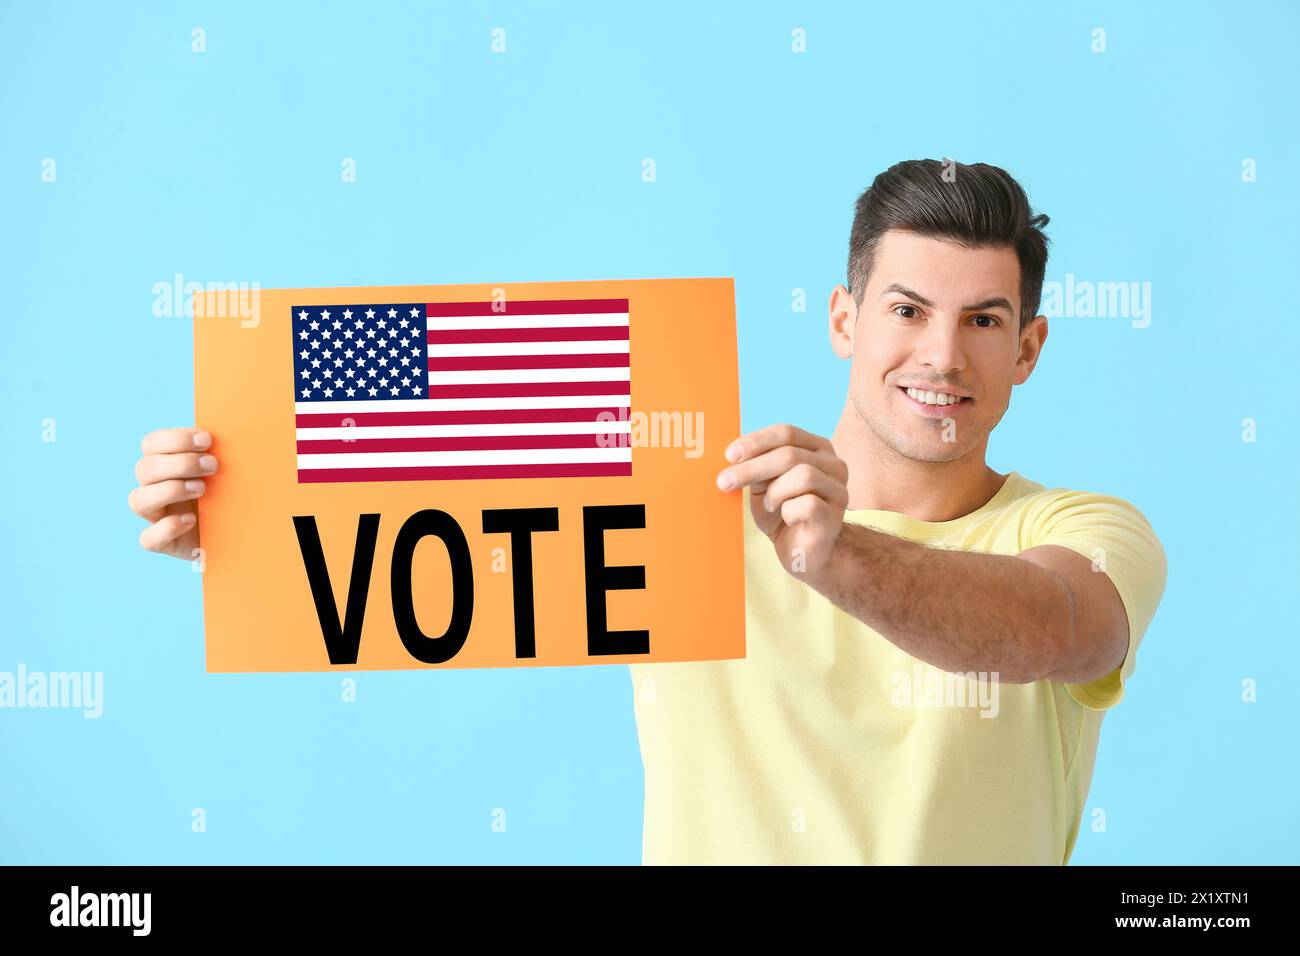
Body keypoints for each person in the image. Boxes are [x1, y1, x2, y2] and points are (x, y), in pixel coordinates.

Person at [130, 159, 1167, 865]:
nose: (941, 356)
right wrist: (242, 518)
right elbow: (449, 538)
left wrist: (836, 557)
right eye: (905, 309)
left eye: (982, 320)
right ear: (845, 318)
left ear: (1027, 349)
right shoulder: (687, 500)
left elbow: (1052, 629)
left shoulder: (1084, 529)